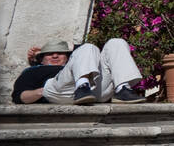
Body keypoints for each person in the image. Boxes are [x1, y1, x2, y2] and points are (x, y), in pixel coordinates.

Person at [12, 39, 145, 105]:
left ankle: (122, 89)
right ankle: (82, 86)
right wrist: (41, 91)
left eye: (60, 53)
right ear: (41, 59)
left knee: (116, 42)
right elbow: (19, 96)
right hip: (59, 91)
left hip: (94, 91)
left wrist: (71, 48)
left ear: (68, 57)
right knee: (88, 47)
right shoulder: (34, 70)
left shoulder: (77, 58)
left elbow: (87, 49)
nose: (55, 56)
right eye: (49, 54)